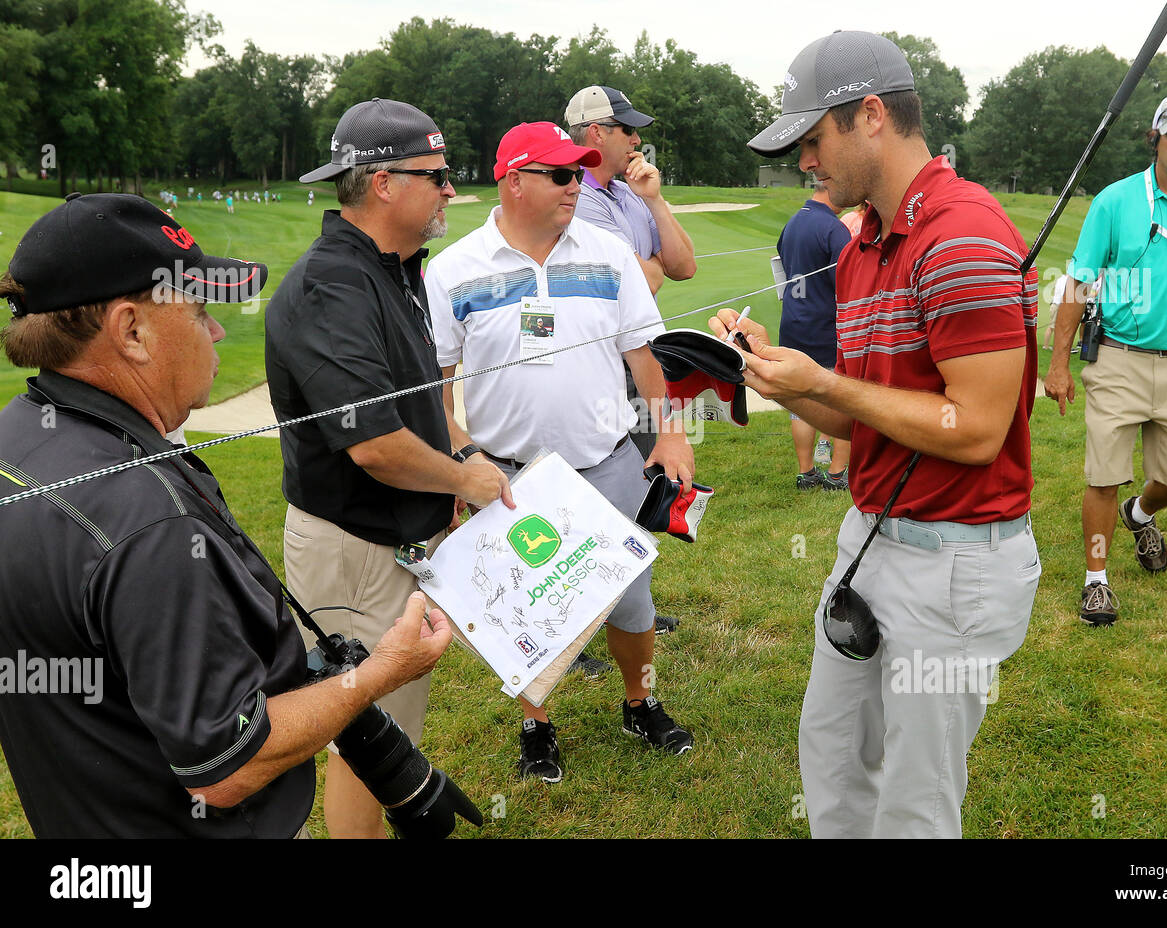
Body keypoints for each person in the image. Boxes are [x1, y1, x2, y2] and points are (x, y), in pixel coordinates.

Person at [0, 193, 452, 837]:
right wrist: (383, 672)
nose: (214, 331)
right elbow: (224, 765)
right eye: (200, 309)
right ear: (131, 331)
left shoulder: (17, 443)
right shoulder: (149, 522)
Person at [729, 31, 1040, 838]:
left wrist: (826, 382)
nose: (804, 161)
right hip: (870, 540)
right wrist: (783, 378)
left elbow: (975, 431)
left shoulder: (962, 234)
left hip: (954, 564)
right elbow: (862, 414)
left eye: (812, 138)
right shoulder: (865, 242)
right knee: (832, 760)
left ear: (870, 115)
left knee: (913, 800)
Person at [266, 98, 513, 838]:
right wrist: (462, 479)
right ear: (381, 183)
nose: (449, 190)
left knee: (390, 726)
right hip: (355, 548)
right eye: (436, 175)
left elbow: (419, 399)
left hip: (397, 539)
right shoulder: (330, 286)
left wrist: (463, 452)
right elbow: (372, 441)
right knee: (366, 736)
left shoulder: (395, 269)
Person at [427, 121, 696, 784]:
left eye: (579, 173)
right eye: (561, 174)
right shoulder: (454, 271)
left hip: (606, 463)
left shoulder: (608, 256)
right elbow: (435, 387)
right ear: (513, 180)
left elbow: (647, 354)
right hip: (511, 477)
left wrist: (670, 431)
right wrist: (462, 457)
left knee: (633, 606)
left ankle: (640, 701)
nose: (576, 185)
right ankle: (536, 727)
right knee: (530, 611)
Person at [1044, 93, 1167, 625]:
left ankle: (1141, 513)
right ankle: (1096, 582)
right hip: (1119, 358)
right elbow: (1080, 281)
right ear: (1155, 138)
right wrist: (1059, 364)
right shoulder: (1116, 200)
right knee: (1104, 474)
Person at [566, 84, 697, 637]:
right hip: (599, 370)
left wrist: (655, 200)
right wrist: (645, 268)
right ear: (597, 134)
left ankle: (629, 606)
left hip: (638, 362)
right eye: (627, 128)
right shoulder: (577, 199)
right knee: (589, 497)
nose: (637, 137)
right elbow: (635, 280)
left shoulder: (626, 195)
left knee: (641, 487)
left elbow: (681, 266)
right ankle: (581, 620)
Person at [776, 179, 852, 490]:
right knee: (841, 399)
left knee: (801, 401)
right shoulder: (834, 229)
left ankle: (806, 472)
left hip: (793, 324)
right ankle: (837, 474)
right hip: (826, 327)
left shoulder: (793, 223)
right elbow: (847, 284)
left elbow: (782, 269)